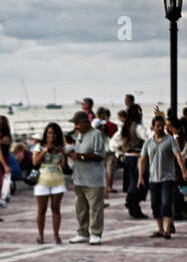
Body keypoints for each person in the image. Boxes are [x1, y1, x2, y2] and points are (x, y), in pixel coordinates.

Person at [139, 114, 187, 239]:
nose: (160, 128)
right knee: (155, 205)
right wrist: (140, 176)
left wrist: (184, 172)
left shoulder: (170, 140)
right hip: (153, 178)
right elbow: (143, 159)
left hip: (168, 177)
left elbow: (178, 156)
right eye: (157, 126)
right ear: (153, 127)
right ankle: (160, 229)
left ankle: (167, 229)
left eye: (162, 126)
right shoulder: (148, 143)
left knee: (166, 203)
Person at [67, 111, 108, 245]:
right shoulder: (79, 135)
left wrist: (81, 156)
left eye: (77, 124)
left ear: (85, 122)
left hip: (93, 179)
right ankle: (82, 233)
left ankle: (96, 233)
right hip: (79, 178)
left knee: (95, 208)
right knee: (81, 208)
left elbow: (100, 155)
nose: (75, 126)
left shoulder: (96, 134)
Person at [32, 122, 67, 245]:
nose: (51, 135)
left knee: (56, 209)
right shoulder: (39, 147)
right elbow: (35, 162)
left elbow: (64, 167)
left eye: (54, 133)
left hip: (58, 180)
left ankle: (56, 234)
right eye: (49, 133)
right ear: (46, 134)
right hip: (42, 180)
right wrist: (46, 150)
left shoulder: (61, 148)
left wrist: (63, 153)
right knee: (41, 210)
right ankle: (40, 235)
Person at [118, 105, 150, 219]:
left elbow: (116, 142)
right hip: (136, 157)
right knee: (140, 181)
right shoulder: (137, 127)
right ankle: (133, 204)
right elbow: (149, 137)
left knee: (133, 181)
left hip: (128, 156)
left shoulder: (126, 126)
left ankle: (131, 202)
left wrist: (119, 151)